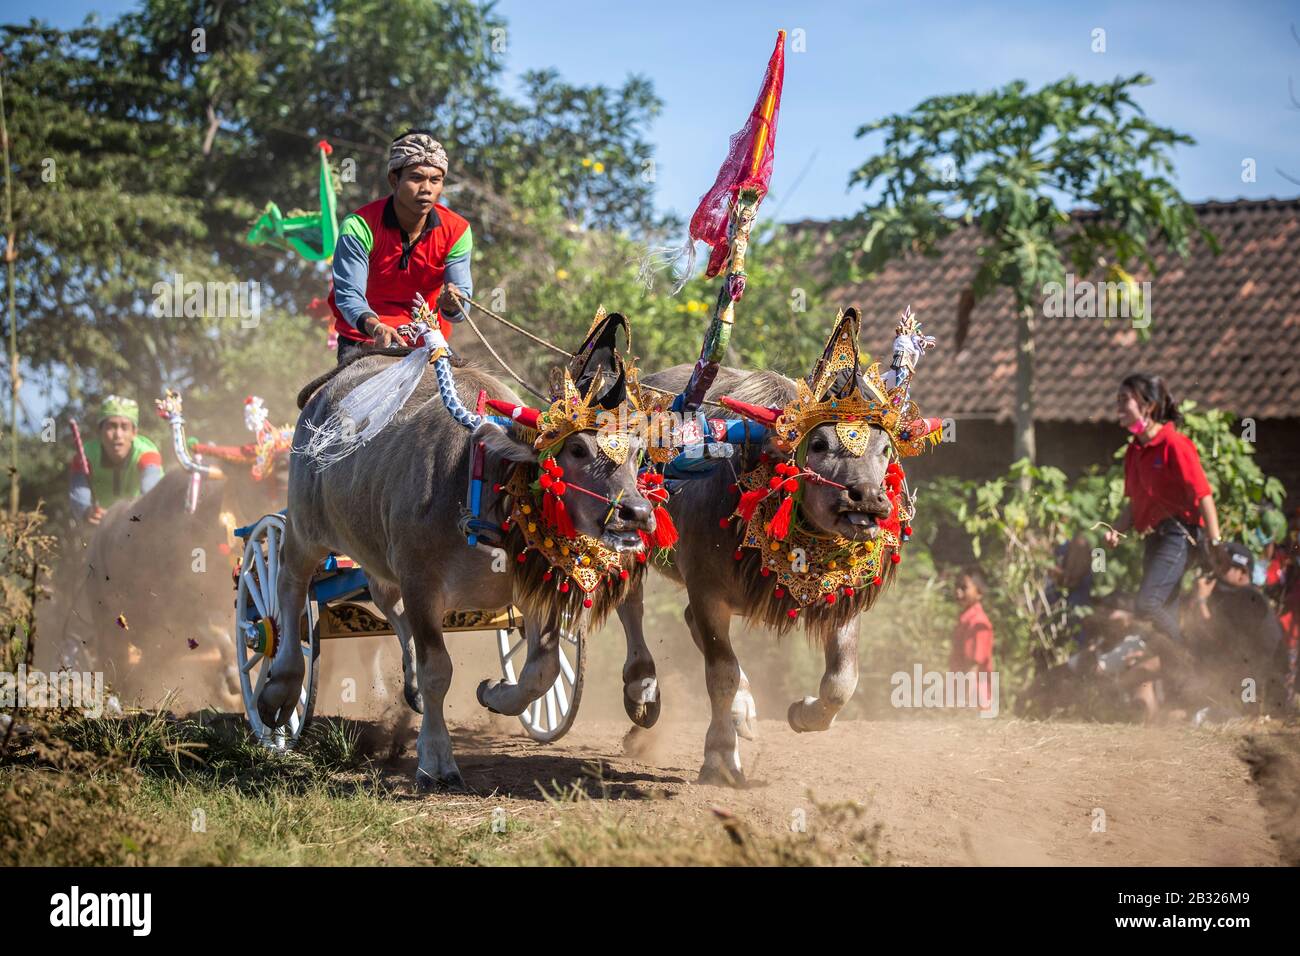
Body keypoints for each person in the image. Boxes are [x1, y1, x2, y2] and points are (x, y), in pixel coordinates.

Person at [328, 129, 474, 365]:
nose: (426, 188)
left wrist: (452, 302)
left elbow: (461, 304)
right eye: (416, 178)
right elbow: (349, 296)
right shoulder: (359, 226)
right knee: (345, 400)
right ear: (394, 180)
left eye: (435, 180)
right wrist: (376, 327)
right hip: (364, 339)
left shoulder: (457, 231)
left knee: (469, 397)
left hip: (428, 344)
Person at [1103, 373, 1222, 646]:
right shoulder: (1134, 451)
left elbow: (1204, 494)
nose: (1118, 407)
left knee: (1147, 604)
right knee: (1161, 613)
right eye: (1117, 400)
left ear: (1148, 406)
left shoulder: (1174, 445)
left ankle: (1188, 657)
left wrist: (1216, 542)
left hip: (1179, 537)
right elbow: (1136, 504)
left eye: (1125, 400)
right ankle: (1179, 684)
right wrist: (1115, 530)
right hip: (1154, 538)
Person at [1183, 542, 1289, 718]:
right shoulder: (1229, 595)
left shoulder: (1249, 598)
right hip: (1242, 677)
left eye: (1225, 565)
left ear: (1242, 573)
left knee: (1234, 713)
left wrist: (1201, 601)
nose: (1217, 569)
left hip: (1257, 682)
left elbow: (1223, 638)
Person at [68, 395, 163, 525]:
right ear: (100, 431)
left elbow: (150, 498)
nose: (118, 435)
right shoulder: (85, 456)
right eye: (111, 426)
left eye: (124, 427)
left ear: (134, 433)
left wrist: (127, 518)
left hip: (138, 520)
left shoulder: (148, 453)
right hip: (100, 526)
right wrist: (86, 511)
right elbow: (79, 498)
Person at [950, 567, 994, 707]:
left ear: (979, 592)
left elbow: (973, 665)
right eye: (957, 587)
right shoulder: (965, 619)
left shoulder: (978, 623)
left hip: (975, 700)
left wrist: (966, 701)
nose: (958, 592)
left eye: (964, 588)